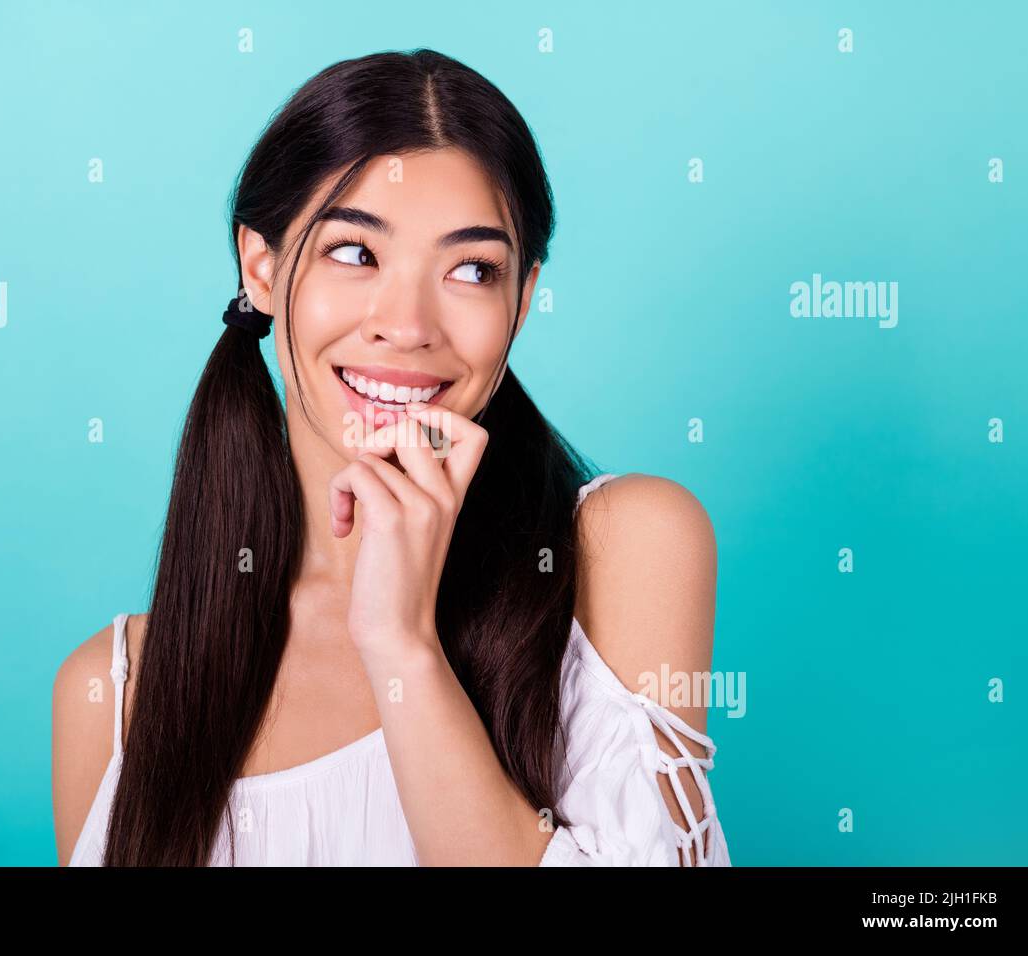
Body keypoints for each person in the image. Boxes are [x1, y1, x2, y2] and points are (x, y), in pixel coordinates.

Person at [52, 48, 730, 867]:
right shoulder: (117, 694)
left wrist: (401, 641)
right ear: (261, 267)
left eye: (473, 269)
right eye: (354, 252)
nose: (407, 325)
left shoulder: (627, 547)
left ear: (521, 301)